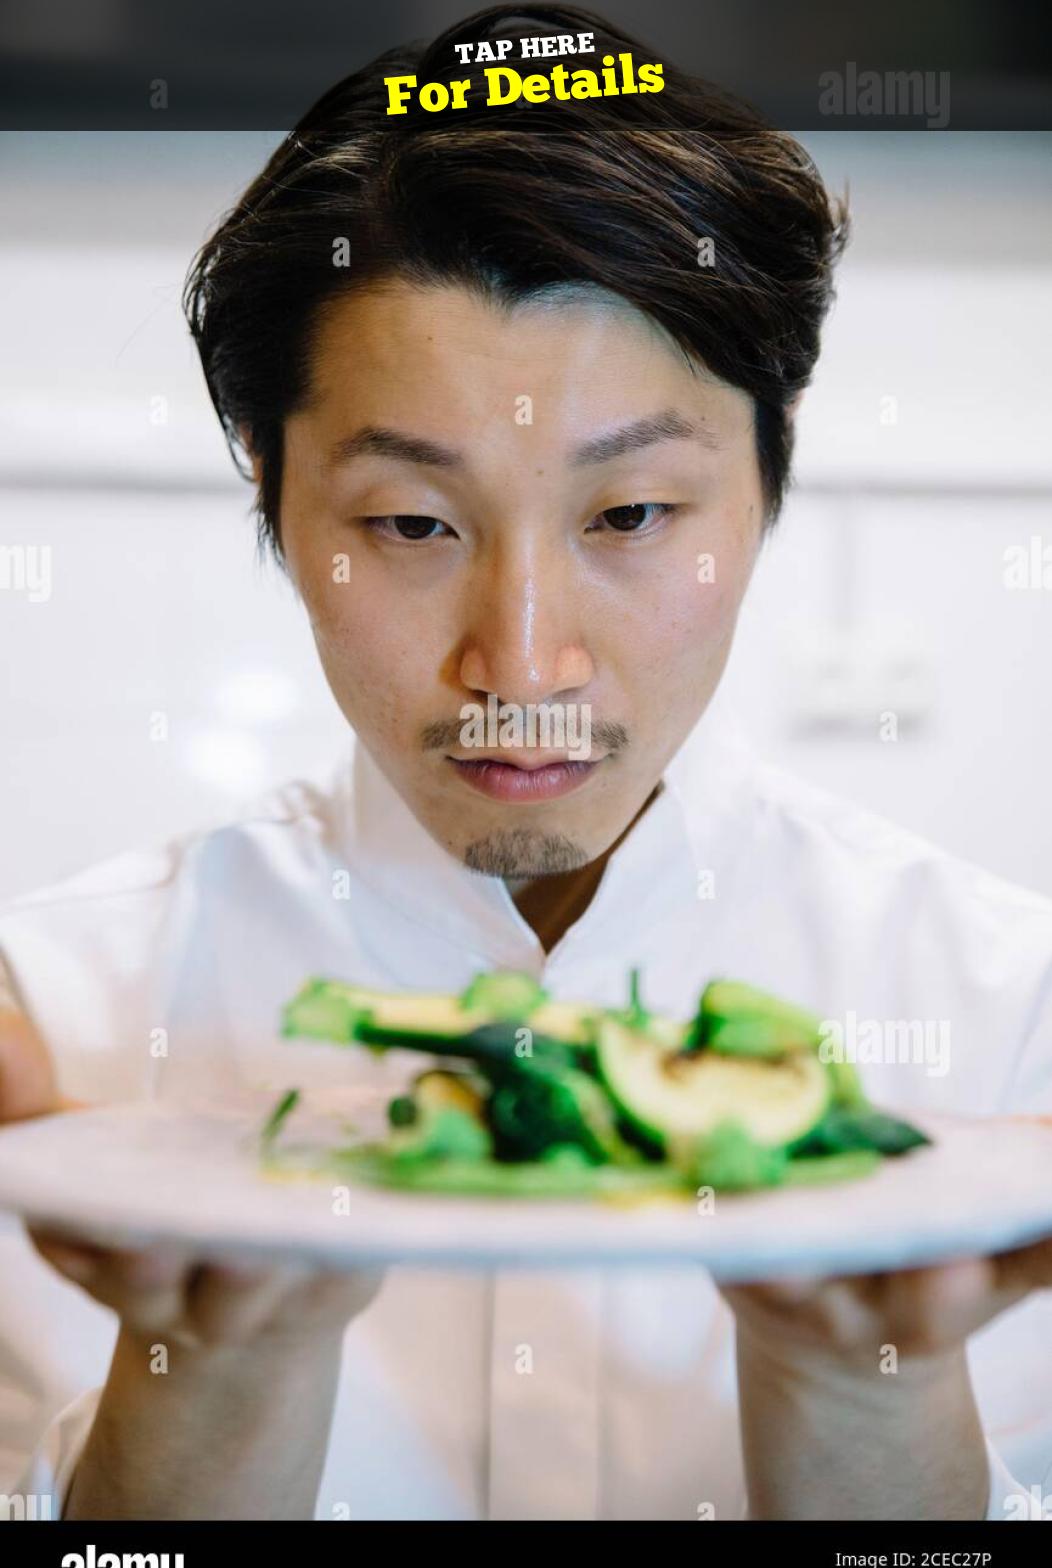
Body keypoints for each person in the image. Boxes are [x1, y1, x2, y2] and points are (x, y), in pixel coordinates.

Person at [2, 2, 1052, 1523]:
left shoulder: (1010, 1035)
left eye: (631, 518)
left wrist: (858, 1390)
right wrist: (208, 1387)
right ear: (272, 493)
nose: (524, 661)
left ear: (771, 475)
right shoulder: (56, 1041)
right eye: (413, 526)